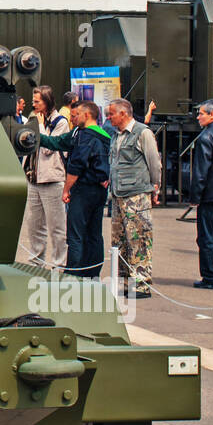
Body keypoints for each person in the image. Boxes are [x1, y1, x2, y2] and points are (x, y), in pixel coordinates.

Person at [39, 101, 110, 279]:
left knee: (76, 235)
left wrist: (66, 190)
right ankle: (92, 273)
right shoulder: (103, 135)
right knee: (94, 234)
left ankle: (73, 273)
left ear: (87, 115)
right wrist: (38, 134)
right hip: (99, 191)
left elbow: (77, 165)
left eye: (75, 115)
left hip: (84, 190)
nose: (72, 118)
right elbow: (56, 142)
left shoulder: (85, 136)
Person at [106, 98, 161, 299]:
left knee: (139, 239)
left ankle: (142, 284)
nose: (109, 117)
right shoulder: (116, 136)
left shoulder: (142, 133)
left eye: (111, 114)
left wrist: (156, 188)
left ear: (124, 113)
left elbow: (154, 162)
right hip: (119, 195)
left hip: (137, 196)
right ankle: (128, 281)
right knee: (120, 241)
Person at [21, 85, 69, 267]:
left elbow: (50, 148)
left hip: (52, 180)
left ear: (47, 102)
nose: (33, 105)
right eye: (33, 101)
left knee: (57, 227)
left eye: (37, 102)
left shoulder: (60, 122)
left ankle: (58, 264)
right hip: (32, 179)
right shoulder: (32, 119)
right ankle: (36, 262)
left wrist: (40, 127)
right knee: (34, 226)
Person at [189, 99, 213, 290]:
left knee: (206, 237)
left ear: (212, 114)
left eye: (201, 113)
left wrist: (195, 198)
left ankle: (210, 277)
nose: (198, 116)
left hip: (210, 195)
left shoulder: (206, 137)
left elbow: (201, 172)